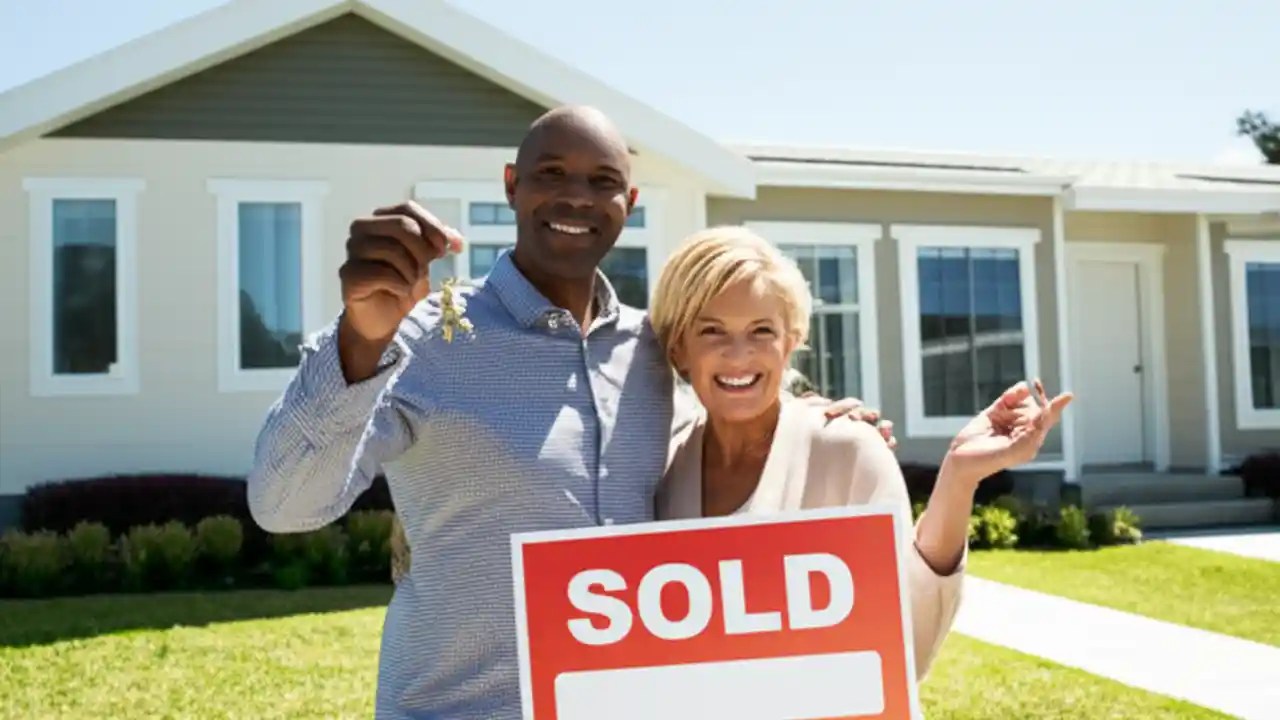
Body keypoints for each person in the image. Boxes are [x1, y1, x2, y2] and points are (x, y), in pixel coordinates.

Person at [246, 105, 892, 719]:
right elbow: (285, 506)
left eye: (602, 181)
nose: (578, 196)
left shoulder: (650, 350)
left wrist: (818, 421)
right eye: (552, 173)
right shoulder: (420, 337)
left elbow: (733, 402)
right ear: (512, 186)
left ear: (628, 204)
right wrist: (360, 340)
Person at [648, 225, 1073, 680]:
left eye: (761, 330)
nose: (739, 354)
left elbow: (906, 644)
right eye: (712, 331)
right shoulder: (662, 467)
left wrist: (959, 476)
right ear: (679, 348)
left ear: (790, 342)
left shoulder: (845, 449)